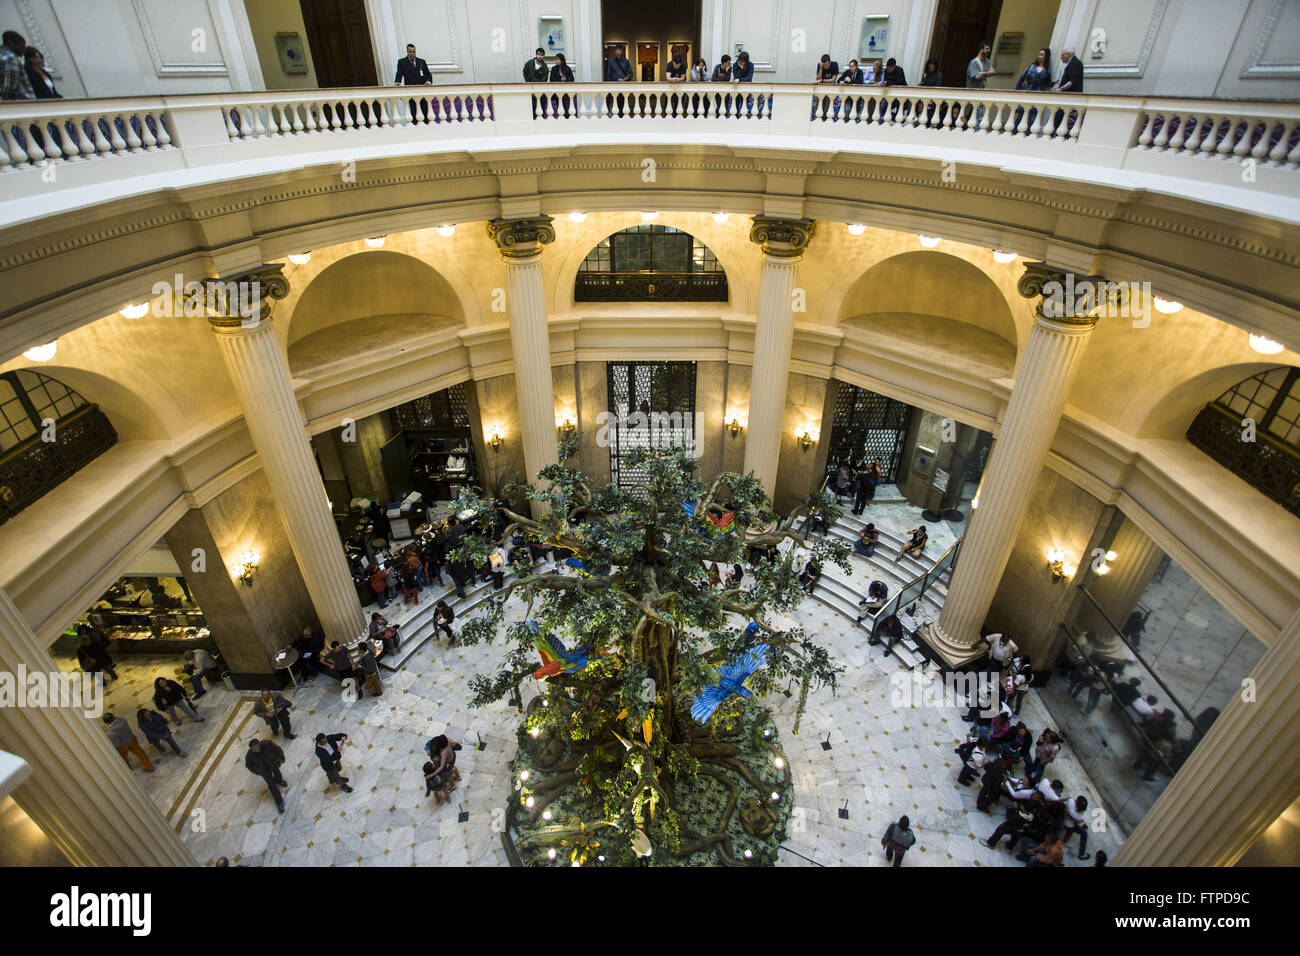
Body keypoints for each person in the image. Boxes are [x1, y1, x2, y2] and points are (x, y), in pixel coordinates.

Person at [245, 738, 288, 813]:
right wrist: (257, 772)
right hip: (264, 771)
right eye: (253, 749)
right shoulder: (249, 755)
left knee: (277, 773)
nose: (256, 749)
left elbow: (277, 749)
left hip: (273, 763)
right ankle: (279, 802)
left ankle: (279, 780)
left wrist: (282, 757)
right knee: (271, 785)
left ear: (259, 744)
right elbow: (248, 765)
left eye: (256, 747)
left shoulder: (267, 744)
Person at [1, 31, 35, 100]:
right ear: (10, 43)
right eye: (21, 46)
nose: (24, 50)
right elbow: (10, 87)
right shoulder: (11, 58)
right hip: (22, 102)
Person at [1062, 793, 1091, 859]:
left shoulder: (1070, 801)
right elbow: (1078, 822)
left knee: (1074, 826)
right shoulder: (1080, 817)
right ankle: (1081, 854)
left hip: (1063, 817)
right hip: (1069, 825)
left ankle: (1065, 841)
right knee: (1084, 834)